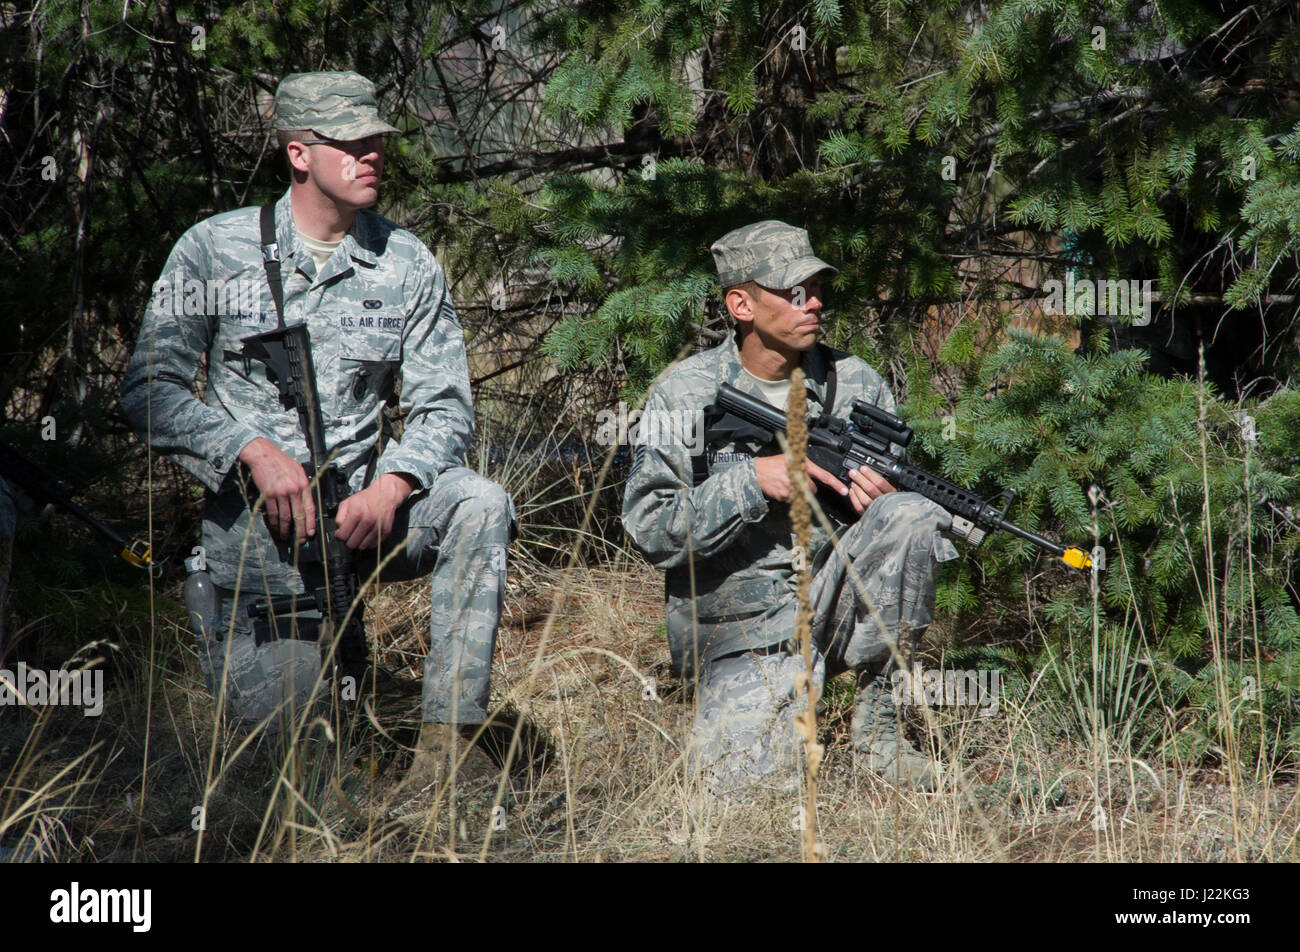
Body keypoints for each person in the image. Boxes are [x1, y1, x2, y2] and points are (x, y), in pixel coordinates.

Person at [121, 71, 513, 782]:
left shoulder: (405, 261)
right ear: (300, 154)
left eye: (377, 143)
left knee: (481, 505)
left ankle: (450, 748)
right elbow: (148, 389)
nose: (372, 156)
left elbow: (446, 405)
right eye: (351, 144)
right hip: (266, 544)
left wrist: (393, 486)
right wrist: (249, 449)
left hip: (369, 518)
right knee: (286, 777)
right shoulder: (214, 251)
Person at [622, 220, 959, 797]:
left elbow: (891, 519)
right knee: (748, 795)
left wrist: (878, 504)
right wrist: (753, 480)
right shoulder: (682, 393)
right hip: (737, 630)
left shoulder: (855, 382)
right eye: (794, 291)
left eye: (818, 288)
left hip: (832, 594)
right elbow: (650, 527)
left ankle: (878, 727)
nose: (816, 303)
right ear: (741, 304)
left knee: (911, 514)